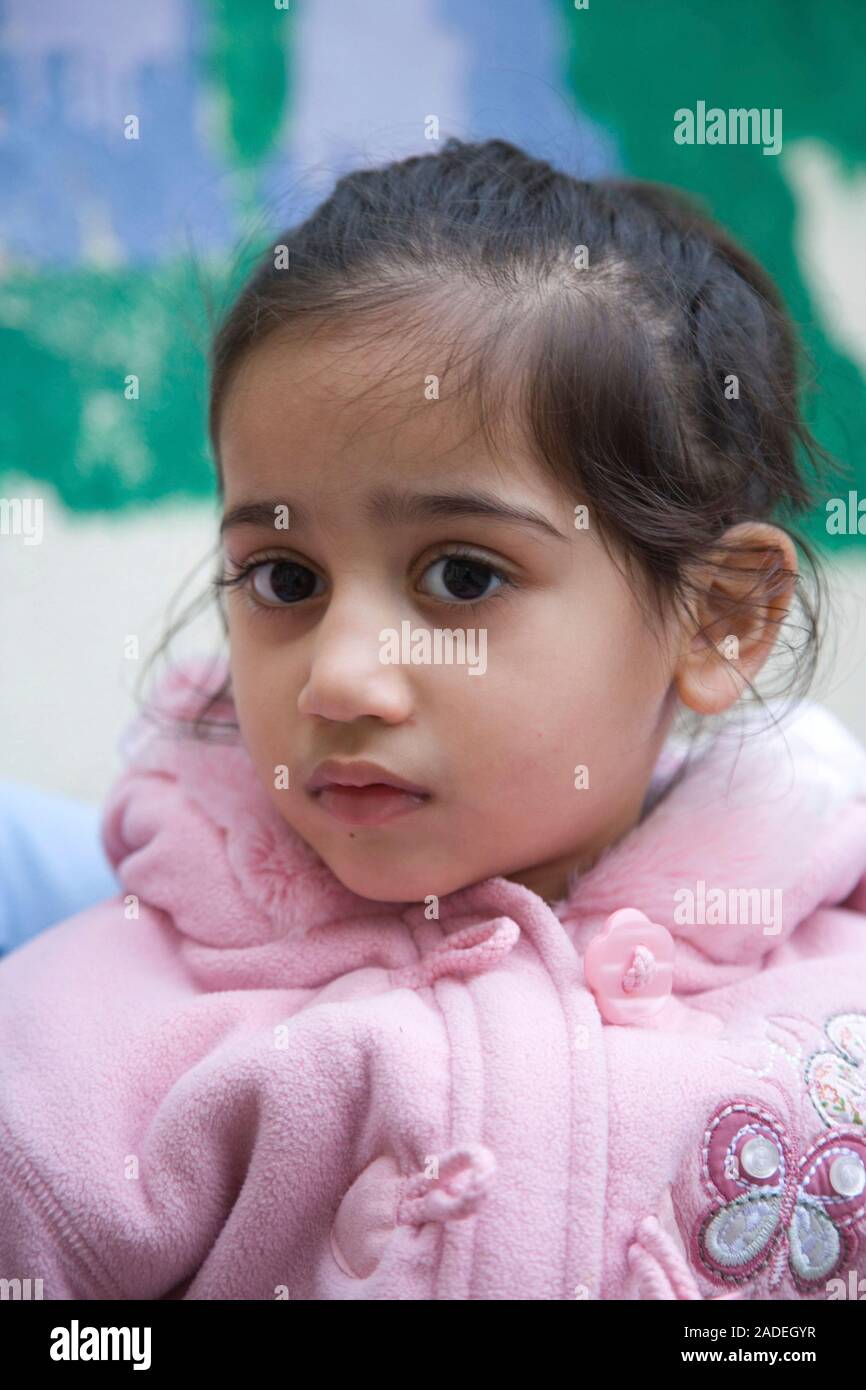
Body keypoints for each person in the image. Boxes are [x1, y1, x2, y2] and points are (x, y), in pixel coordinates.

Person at [2, 138, 866, 1301]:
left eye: (460, 577)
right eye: (284, 578)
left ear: (714, 618)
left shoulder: (828, 980)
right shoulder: (86, 1042)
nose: (341, 679)